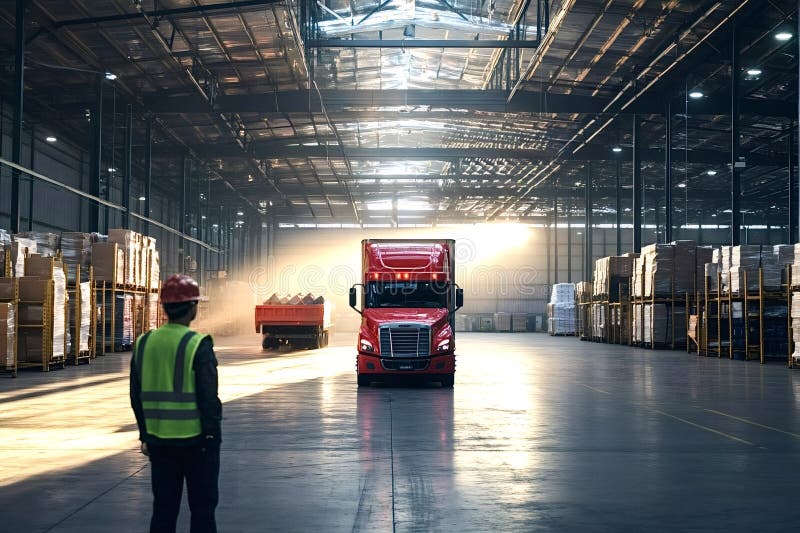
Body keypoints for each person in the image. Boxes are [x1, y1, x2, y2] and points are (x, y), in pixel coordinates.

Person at [130, 274, 222, 533]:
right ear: (193, 307)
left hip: (159, 442)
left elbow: (136, 396)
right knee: (203, 510)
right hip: (197, 443)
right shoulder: (198, 345)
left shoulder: (143, 343)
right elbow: (209, 399)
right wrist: (213, 437)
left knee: (164, 509)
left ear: (165, 307)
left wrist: (145, 435)